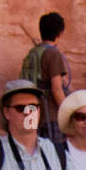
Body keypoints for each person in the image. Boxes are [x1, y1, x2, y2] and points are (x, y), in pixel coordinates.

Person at [19, 12, 71, 145]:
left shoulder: (32, 53)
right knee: (55, 158)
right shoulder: (52, 53)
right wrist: (69, 112)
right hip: (50, 116)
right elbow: (57, 89)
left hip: (31, 114)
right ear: (59, 33)